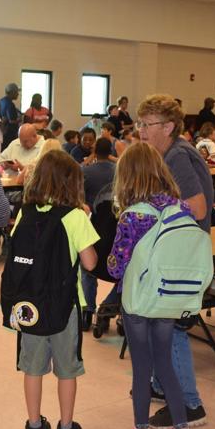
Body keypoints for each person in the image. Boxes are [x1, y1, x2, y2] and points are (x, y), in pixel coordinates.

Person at [110, 142, 199, 429]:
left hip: (138, 303)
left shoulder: (132, 216)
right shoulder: (181, 208)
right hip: (170, 298)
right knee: (165, 365)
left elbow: (116, 267)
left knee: (142, 369)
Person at [9, 149, 99, 429]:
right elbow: (90, 263)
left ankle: (34, 428)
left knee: (32, 368)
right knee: (66, 370)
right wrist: (85, 221)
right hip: (65, 307)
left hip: (30, 307)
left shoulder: (25, 212)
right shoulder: (75, 216)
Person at [135, 94, 212, 428]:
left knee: (170, 328)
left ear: (168, 127)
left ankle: (189, 404)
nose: (140, 131)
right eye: (139, 124)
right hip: (176, 252)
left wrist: (154, 207)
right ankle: (160, 384)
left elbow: (198, 207)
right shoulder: (167, 153)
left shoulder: (178, 156)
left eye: (147, 124)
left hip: (182, 257)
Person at [80, 138, 118, 328]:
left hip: (93, 226)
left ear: (95, 151)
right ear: (111, 151)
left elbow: (79, 197)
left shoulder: (86, 171)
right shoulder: (119, 170)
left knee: (88, 269)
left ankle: (87, 310)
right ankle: (111, 305)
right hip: (118, 227)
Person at [0, 83, 22, 150]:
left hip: (3, 133)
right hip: (9, 134)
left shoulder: (1, 101)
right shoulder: (10, 104)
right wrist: (20, 119)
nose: (18, 94)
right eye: (16, 92)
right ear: (12, 92)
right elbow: (11, 121)